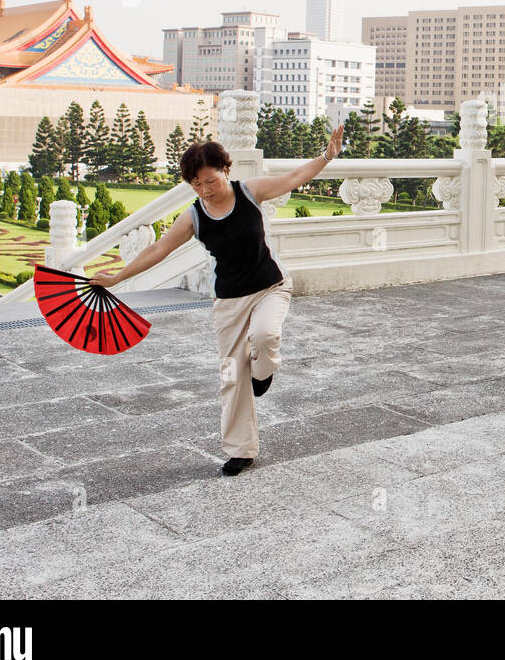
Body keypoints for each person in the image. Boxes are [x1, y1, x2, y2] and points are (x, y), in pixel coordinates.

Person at [91, 124, 344, 475]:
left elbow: (294, 177)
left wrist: (327, 156)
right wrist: (118, 277)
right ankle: (241, 450)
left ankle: (264, 371)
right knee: (230, 376)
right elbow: (158, 249)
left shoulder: (251, 192)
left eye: (210, 180)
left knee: (266, 336)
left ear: (226, 170)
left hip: (269, 287)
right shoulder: (194, 216)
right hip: (228, 303)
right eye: (196, 184)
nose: (205, 189)